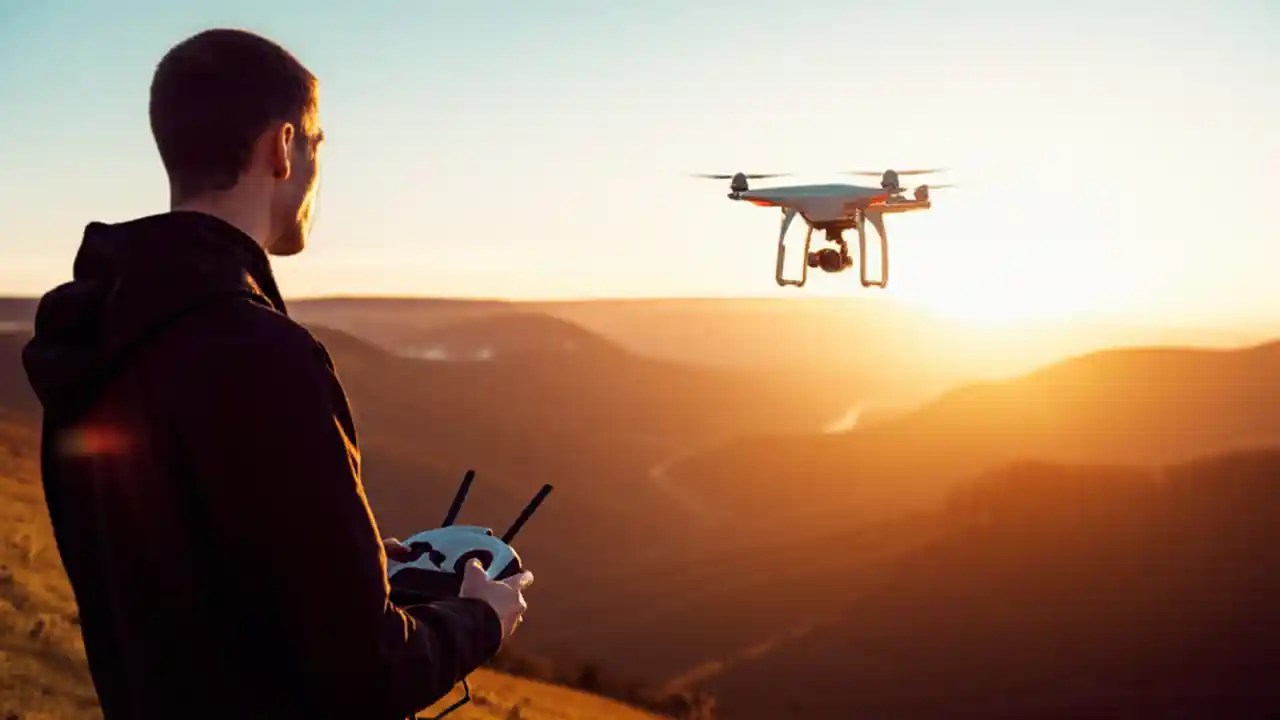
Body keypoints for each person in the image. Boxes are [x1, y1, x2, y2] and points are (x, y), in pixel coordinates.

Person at [21, 28, 532, 720]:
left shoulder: (96, 338)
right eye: (317, 144)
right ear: (282, 146)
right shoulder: (266, 355)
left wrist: (334, 560)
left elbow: (175, 577)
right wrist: (482, 620)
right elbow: (363, 675)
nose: (317, 166)